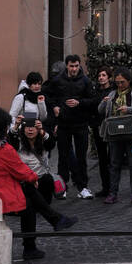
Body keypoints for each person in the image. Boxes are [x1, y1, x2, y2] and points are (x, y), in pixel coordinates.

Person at [0, 108, 66, 262]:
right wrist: (33, 177)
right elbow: (21, 171)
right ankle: (33, 245)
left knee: (28, 192)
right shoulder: (4, 149)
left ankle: (55, 220)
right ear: (3, 128)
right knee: (29, 205)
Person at [8, 115, 77, 249]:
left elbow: (51, 143)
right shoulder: (19, 142)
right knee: (30, 210)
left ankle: (31, 247)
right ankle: (54, 222)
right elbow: (10, 140)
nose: (30, 130)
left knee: (44, 183)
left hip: (41, 183)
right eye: (27, 127)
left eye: (33, 127)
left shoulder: (43, 141)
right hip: (24, 183)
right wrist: (15, 126)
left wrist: (43, 131)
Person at [51, 54, 97, 199]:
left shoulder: (85, 81)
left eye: (76, 66)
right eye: (71, 66)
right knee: (63, 157)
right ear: (67, 66)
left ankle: (82, 186)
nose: (74, 69)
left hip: (80, 123)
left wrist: (79, 103)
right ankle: (62, 187)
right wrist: (55, 107)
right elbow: (49, 97)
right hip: (64, 123)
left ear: (79, 65)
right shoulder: (58, 80)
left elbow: (93, 100)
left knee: (81, 156)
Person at [99, 67, 132, 204]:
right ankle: (113, 193)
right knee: (114, 164)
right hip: (114, 134)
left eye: (122, 82)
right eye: (117, 82)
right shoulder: (112, 94)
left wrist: (128, 109)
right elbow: (100, 111)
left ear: (129, 81)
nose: (119, 85)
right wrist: (104, 102)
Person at [90, 67, 114, 196]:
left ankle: (112, 187)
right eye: (99, 75)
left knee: (112, 158)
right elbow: (93, 108)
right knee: (103, 159)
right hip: (98, 127)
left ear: (108, 77)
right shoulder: (95, 91)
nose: (101, 77)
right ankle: (105, 187)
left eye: (103, 75)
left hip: (112, 127)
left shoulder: (113, 91)